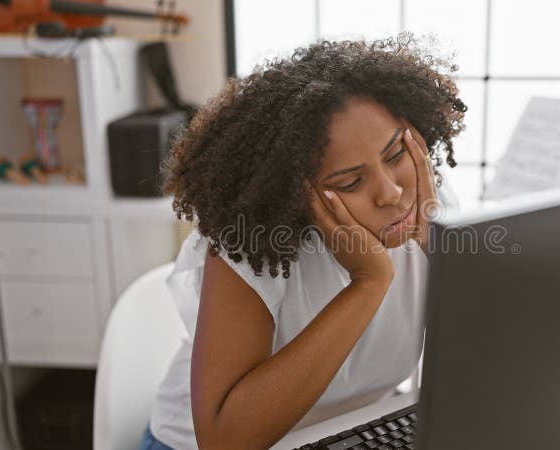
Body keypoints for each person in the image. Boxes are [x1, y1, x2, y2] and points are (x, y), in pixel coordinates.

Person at [140, 32, 467, 450]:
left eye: (395, 155)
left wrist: (437, 247)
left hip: (356, 433)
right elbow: (223, 439)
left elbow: (501, 355)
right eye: (350, 182)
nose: (391, 192)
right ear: (296, 192)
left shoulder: (429, 204)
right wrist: (368, 282)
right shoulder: (252, 243)